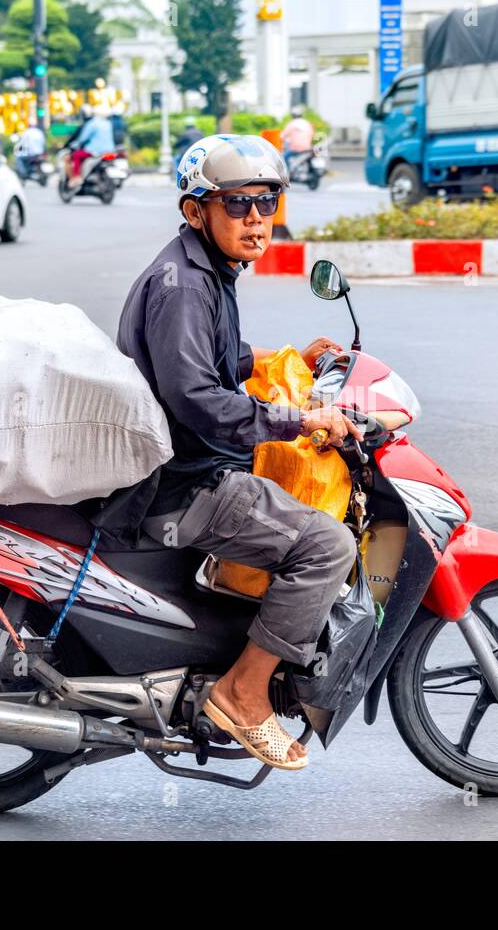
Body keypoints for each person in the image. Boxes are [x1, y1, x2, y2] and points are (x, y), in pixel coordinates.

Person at [115, 134, 360, 772]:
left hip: (194, 465)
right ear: (197, 210)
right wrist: (297, 419)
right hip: (185, 484)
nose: (256, 219)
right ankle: (243, 694)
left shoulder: (204, 270)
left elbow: (213, 363)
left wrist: (284, 360)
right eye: (237, 204)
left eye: (267, 202)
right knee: (327, 545)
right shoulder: (185, 286)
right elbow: (196, 397)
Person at [63, 104, 115, 187]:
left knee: (76, 155)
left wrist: (74, 144)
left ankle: (77, 178)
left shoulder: (92, 123)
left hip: (95, 151)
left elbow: (83, 138)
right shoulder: (108, 123)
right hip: (110, 151)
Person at [280, 104, 315, 172]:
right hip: (308, 148)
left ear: (293, 115)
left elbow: (282, 136)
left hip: (296, 148)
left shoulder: (291, 124)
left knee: (283, 158)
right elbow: (312, 135)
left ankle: (287, 174)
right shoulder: (307, 123)